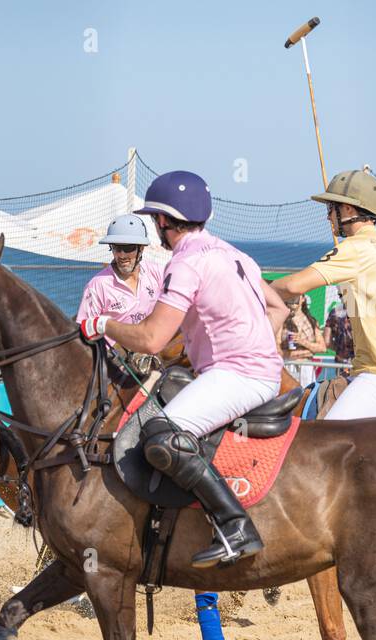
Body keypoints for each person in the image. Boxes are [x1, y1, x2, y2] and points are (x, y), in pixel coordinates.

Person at [78, 171, 287, 567]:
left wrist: (102, 323)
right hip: (252, 371)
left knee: (162, 437)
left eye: (155, 219)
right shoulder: (235, 254)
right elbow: (279, 308)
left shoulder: (187, 262)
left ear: (162, 221)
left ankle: (234, 526)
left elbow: (153, 339)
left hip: (237, 375)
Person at [271, 169, 376, 419]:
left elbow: (294, 286)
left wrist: (254, 289)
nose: (328, 217)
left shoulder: (356, 248)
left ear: (349, 210)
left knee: (325, 445)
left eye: (331, 207)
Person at [75, 214, 164, 354]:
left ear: (141, 249)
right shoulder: (97, 286)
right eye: (117, 248)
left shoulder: (157, 272)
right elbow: (84, 331)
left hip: (153, 354)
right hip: (116, 362)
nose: (122, 255)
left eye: (128, 248)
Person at [279, 295, 325, 387]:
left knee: (306, 394)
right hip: (287, 365)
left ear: (303, 299)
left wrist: (301, 341)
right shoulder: (281, 321)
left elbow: (322, 348)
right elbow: (277, 350)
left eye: (296, 296)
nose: (293, 299)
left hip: (306, 367)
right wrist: (308, 352)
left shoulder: (312, 321)